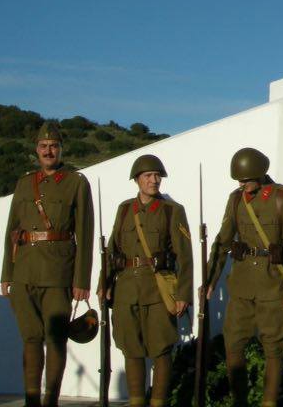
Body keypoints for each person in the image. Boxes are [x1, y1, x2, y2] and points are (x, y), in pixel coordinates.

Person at [206, 147, 283, 407]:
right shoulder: (235, 199)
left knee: (273, 348)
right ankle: (239, 401)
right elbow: (222, 241)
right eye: (238, 181)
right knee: (233, 344)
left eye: (245, 179)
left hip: (273, 284)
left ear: (260, 173)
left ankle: (269, 402)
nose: (241, 185)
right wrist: (210, 279)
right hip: (241, 285)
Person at [0, 121, 94, 407]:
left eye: (54, 146)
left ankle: (50, 399)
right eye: (43, 146)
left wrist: (81, 280)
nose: (48, 151)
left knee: (55, 339)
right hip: (25, 271)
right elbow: (12, 231)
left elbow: (85, 232)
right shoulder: (24, 183)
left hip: (58, 272)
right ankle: (31, 400)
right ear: (36, 150)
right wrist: (7, 274)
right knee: (30, 339)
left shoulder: (76, 182)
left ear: (61, 149)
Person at [99, 155, 193, 407]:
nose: (154, 180)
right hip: (127, 288)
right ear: (137, 180)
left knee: (161, 349)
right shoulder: (124, 209)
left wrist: (183, 293)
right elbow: (112, 249)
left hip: (158, 288)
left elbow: (185, 256)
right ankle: (136, 402)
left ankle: (158, 402)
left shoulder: (172, 210)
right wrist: (104, 284)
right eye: (148, 176)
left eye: (157, 175)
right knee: (131, 349)